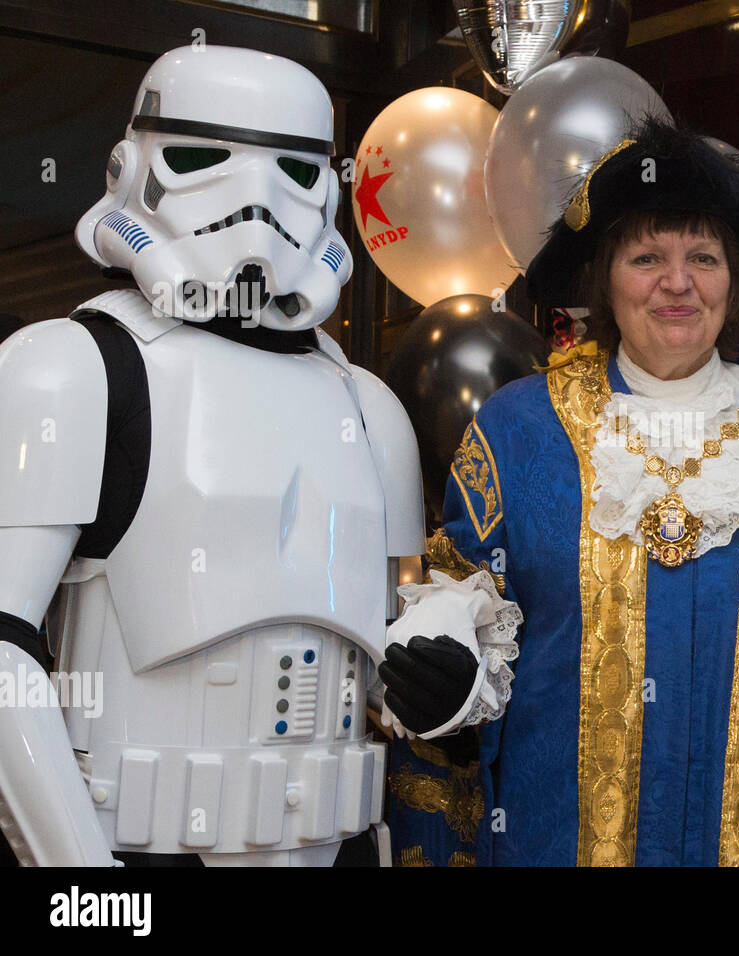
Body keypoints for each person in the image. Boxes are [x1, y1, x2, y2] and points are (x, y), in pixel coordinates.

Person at [379, 116, 739, 866]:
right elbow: (459, 623)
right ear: (603, 278)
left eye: (704, 256)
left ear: (737, 280)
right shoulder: (516, 434)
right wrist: (444, 683)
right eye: (646, 257)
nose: (678, 282)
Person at [0, 46, 423, 865]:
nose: (256, 204)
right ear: (132, 169)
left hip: (340, 842)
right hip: (131, 852)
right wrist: (82, 883)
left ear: (328, 190)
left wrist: (455, 676)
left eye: (293, 173)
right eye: (203, 161)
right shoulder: (71, 368)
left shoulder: (368, 407)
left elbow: (398, 654)